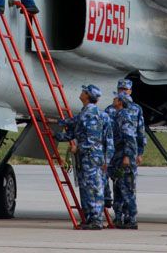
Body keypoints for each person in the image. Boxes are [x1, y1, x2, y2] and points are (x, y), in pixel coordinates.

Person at [55, 84, 112, 229]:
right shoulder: (95, 114)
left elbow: (91, 140)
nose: (81, 93)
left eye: (83, 91)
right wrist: (56, 134)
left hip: (90, 157)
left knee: (93, 188)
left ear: (87, 95)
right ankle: (88, 218)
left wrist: (77, 147)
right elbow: (108, 140)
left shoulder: (89, 115)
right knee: (87, 187)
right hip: (92, 157)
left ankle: (96, 220)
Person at [104, 79, 146, 210]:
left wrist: (140, 152)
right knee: (115, 181)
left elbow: (140, 131)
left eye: (125, 90)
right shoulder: (110, 109)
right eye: (120, 90)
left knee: (127, 184)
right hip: (113, 151)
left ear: (130, 91)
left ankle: (128, 215)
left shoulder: (136, 109)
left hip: (127, 151)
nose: (123, 92)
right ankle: (116, 210)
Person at [109, 92, 139, 229]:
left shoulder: (124, 116)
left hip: (124, 159)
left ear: (120, 102)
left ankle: (131, 219)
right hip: (118, 157)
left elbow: (130, 138)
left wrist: (127, 156)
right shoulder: (118, 115)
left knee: (127, 189)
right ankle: (119, 218)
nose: (113, 100)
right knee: (119, 188)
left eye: (115, 98)